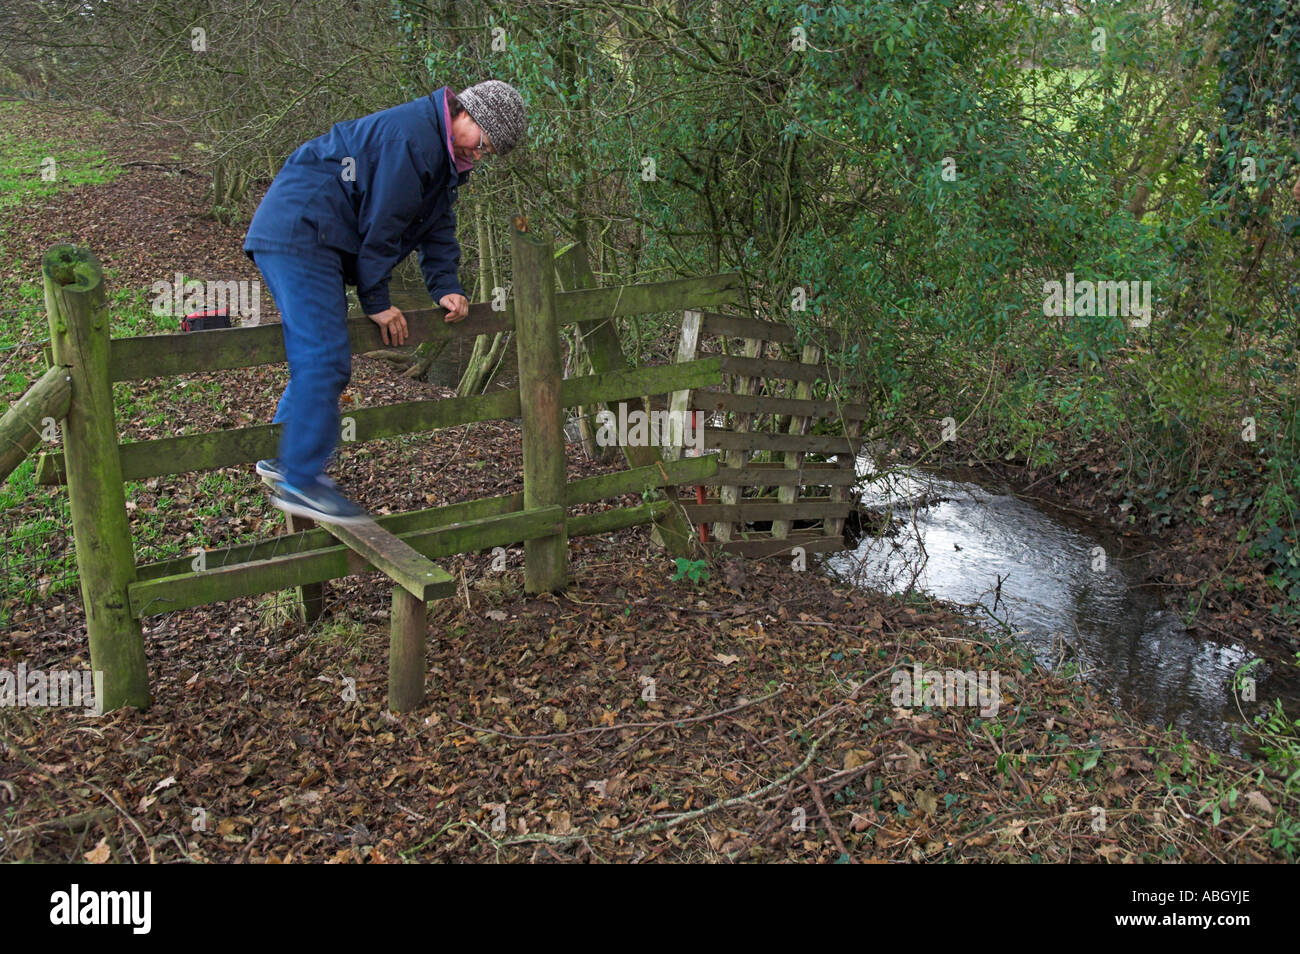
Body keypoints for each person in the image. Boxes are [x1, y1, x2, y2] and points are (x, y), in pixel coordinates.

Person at [243, 80, 526, 524]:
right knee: (325, 358)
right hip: (300, 230)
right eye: (484, 144)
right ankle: (300, 478)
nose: (480, 155)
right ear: (467, 116)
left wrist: (445, 285)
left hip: (319, 236)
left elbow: (436, 226)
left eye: (488, 153)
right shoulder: (411, 138)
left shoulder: (440, 151)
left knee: (319, 354)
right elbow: (383, 222)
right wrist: (377, 299)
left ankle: (281, 457)